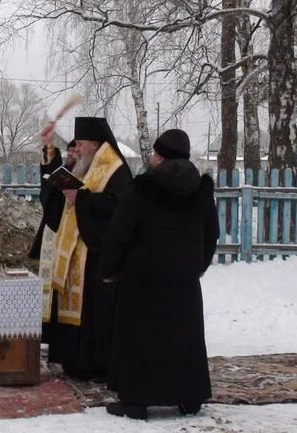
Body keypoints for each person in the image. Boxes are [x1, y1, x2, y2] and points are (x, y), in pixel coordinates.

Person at [100, 128, 218, 420]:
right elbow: (211, 234)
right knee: (183, 338)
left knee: (141, 339)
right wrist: (196, 266)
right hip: (184, 282)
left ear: (161, 156)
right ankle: (189, 397)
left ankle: (136, 400)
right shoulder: (201, 190)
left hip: (142, 280)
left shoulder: (143, 188)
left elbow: (119, 232)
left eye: (154, 153)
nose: (151, 157)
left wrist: (110, 268)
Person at [39, 116, 133, 379]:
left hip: (96, 255)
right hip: (75, 252)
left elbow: (118, 208)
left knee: (95, 313)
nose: (76, 149)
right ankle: (74, 361)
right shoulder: (87, 166)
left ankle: (95, 364)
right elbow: (57, 194)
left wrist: (80, 198)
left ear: (94, 144)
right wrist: (48, 148)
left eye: (79, 144)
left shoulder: (114, 169)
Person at [28, 128, 76, 261]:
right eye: (69, 150)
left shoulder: (87, 173)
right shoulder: (64, 172)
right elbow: (48, 171)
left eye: (74, 151)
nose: (71, 154)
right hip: (56, 224)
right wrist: (47, 145)